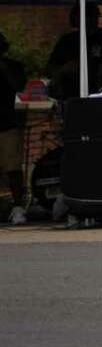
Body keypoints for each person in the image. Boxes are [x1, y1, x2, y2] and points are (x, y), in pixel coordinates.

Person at [45, 5, 102, 102]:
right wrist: (64, 69)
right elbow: (50, 69)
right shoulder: (67, 40)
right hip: (73, 94)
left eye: (92, 17)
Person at [0, 32, 28, 225]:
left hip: (5, 122)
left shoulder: (11, 67)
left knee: (13, 168)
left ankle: (18, 207)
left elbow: (19, 84)